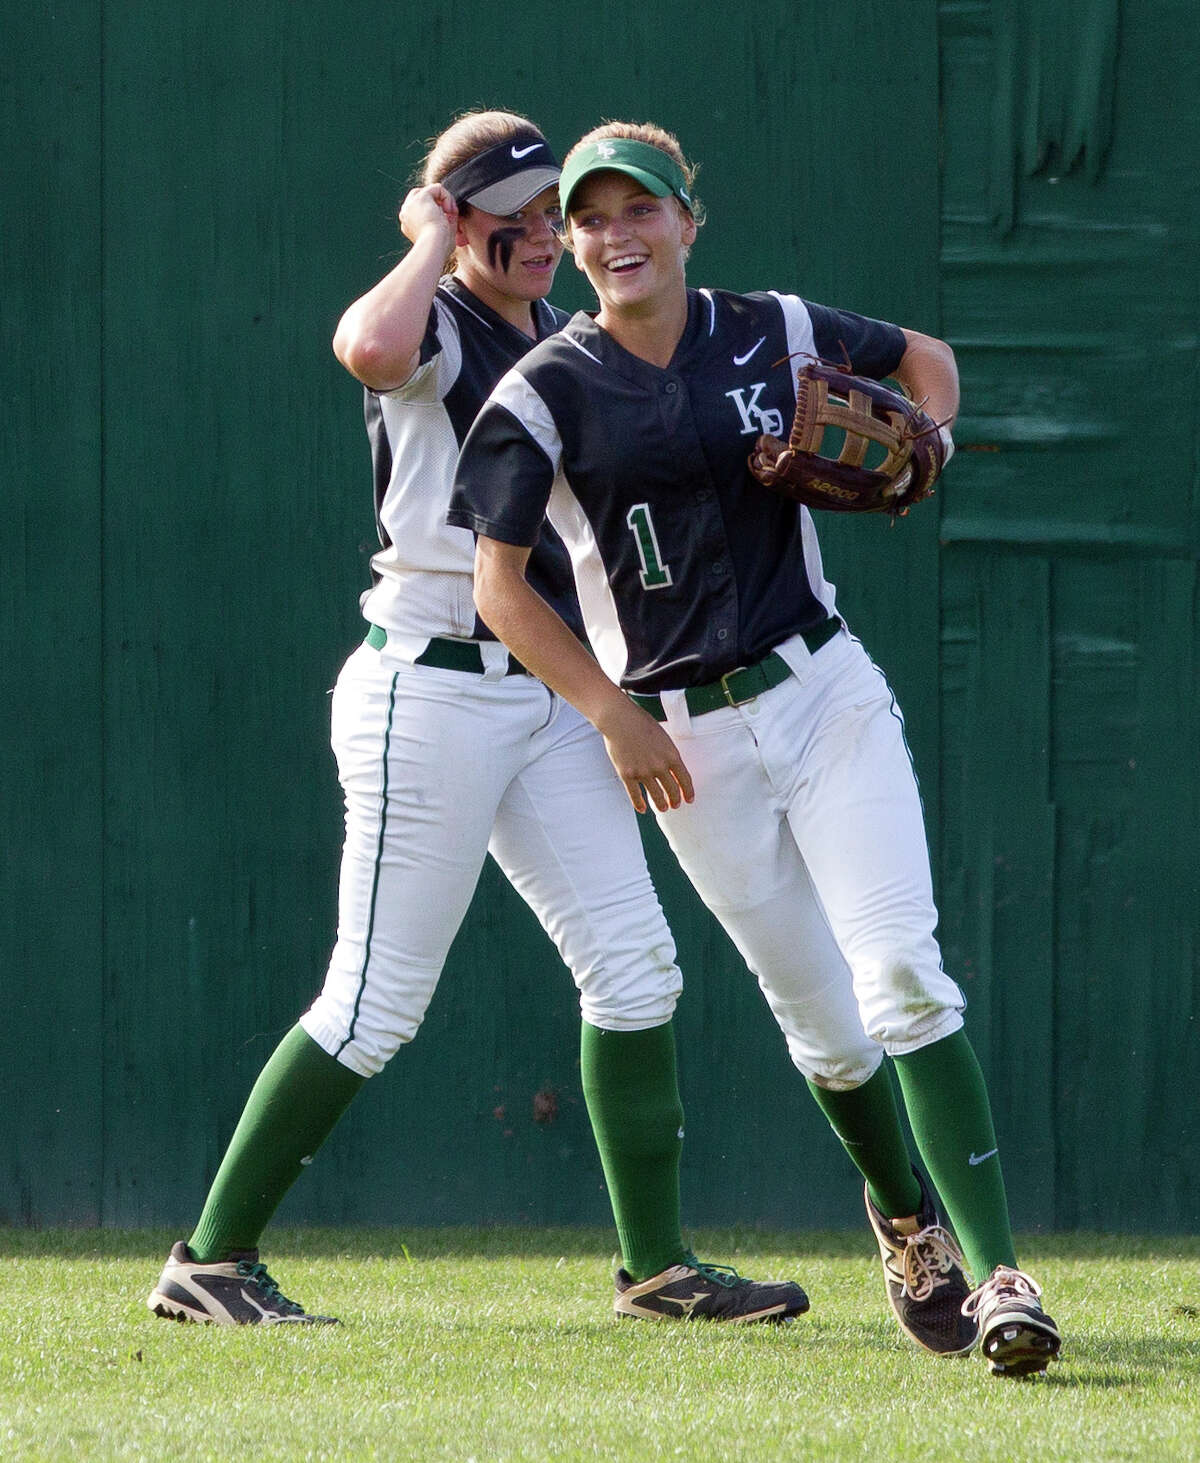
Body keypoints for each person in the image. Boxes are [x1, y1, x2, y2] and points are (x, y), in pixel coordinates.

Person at [146, 111, 807, 1328]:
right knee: (377, 996)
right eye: (512, 215)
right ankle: (212, 1256)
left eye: (552, 212)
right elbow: (366, 345)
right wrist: (428, 232)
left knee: (637, 966)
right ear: (457, 221)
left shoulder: (558, 336)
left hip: (543, 689)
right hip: (430, 684)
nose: (543, 234)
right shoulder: (439, 319)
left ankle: (656, 1266)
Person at [449, 121, 1063, 1377]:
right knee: (825, 1029)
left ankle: (1002, 1270)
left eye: (640, 209)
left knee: (902, 975)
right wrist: (609, 712)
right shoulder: (542, 391)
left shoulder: (772, 327)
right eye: (590, 218)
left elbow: (928, 361)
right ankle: (908, 1223)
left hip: (822, 690)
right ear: (571, 244)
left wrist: (931, 438)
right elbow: (499, 587)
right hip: (683, 740)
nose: (616, 234)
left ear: (688, 221)